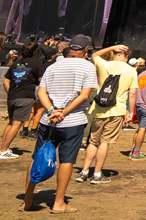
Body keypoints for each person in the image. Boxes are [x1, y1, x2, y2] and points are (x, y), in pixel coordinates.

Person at [20, 34, 98, 213]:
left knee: (36, 157)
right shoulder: (88, 67)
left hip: (49, 120)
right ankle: (59, 203)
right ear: (85, 50)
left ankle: (27, 201)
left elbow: (41, 93)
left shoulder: (54, 65)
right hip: (73, 121)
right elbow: (84, 95)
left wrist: (51, 111)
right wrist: (63, 112)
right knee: (67, 160)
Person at [77, 43, 137, 184]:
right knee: (105, 141)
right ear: (127, 56)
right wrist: (130, 112)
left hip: (99, 108)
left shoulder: (104, 65)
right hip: (117, 110)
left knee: (93, 141)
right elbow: (133, 93)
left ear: (115, 54)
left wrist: (112, 47)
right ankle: (97, 174)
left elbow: (94, 55)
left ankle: (84, 171)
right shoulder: (131, 70)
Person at [0, 40, 46, 159]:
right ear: (35, 52)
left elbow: (5, 81)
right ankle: (3, 151)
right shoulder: (37, 64)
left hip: (13, 96)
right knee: (17, 125)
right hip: (25, 97)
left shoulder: (15, 63)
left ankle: (3, 148)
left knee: (11, 123)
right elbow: (41, 81)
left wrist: (11, 92)